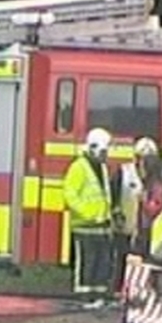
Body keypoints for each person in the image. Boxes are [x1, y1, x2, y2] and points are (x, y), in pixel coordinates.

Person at [64, 127, 117, 299]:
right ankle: (83, 295)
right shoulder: (78, 167)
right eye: (103, 151)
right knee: (87, 261)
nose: (105, 155)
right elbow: (70, 195)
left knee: (102, 262)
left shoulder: (101, 168)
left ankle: (98, 294)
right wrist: (88, 214)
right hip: (84, 225)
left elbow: (104, 195)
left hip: (101, 225)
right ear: (94, 147)